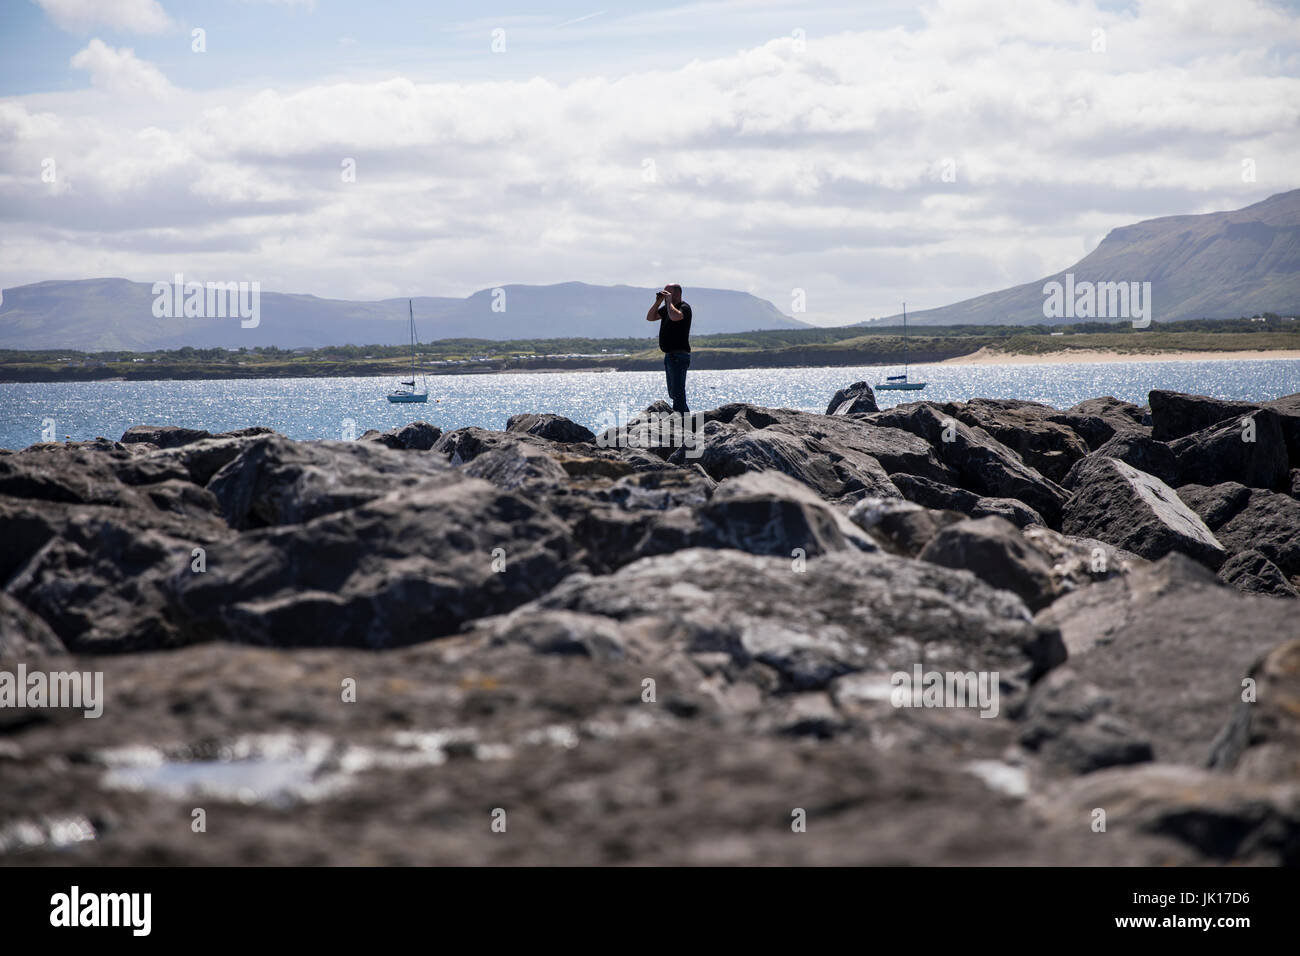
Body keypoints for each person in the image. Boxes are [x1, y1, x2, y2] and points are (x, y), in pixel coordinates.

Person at [645, 283, 692, 413]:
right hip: (669, 356)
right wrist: (658, 302)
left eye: (668, 292)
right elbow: (650, 317)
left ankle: (683, 422)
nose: (664, 294)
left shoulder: (684, 307)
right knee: (673, 393)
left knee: (678, 393)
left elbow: (675, 317)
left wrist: (669, 301)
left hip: (679, 355)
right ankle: (685, 420)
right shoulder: (666, 308)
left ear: (677, 293)